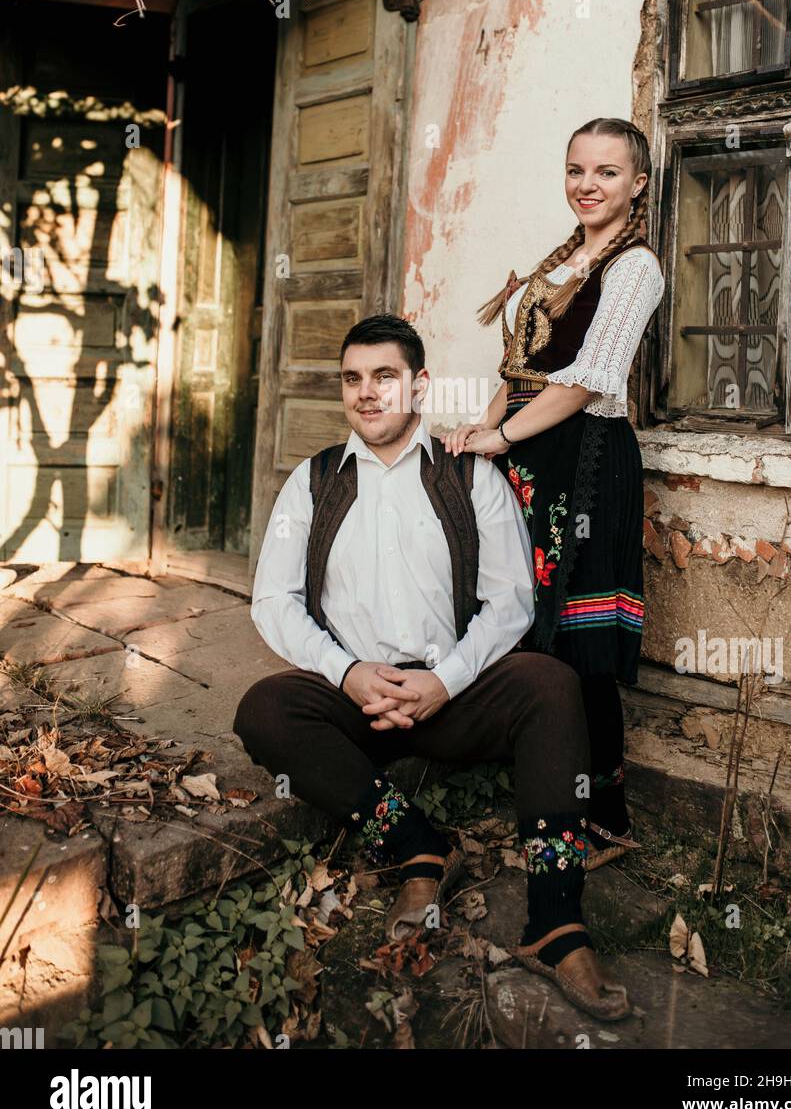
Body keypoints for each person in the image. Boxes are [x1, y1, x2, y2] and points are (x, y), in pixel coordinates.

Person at [233, 314, 630, 1019]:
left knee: (549, 683)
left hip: (452, 698)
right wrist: (346, 671)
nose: (367, 393)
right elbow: (273, 600)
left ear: (418, 384)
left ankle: (553, 919)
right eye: (353, 379)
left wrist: (443, 681)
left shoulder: (468, 473)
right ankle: (419, 849)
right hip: (355, 699)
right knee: (264, 707)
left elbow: (510, 601)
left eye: (384, 376)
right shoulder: (314, 479)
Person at [442, 118, 664, 870]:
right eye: (575, 169)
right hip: (529, 454)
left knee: (580, 642)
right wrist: (479, 432)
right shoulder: (562, 260)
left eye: (606, 172)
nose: (586, 185)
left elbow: (584, 380)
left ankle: (607, 819)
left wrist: (504, 438)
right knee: (524, 623)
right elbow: (519, 367)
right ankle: (539, 789)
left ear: (637, 184)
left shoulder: (635, 269)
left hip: (587, 459)